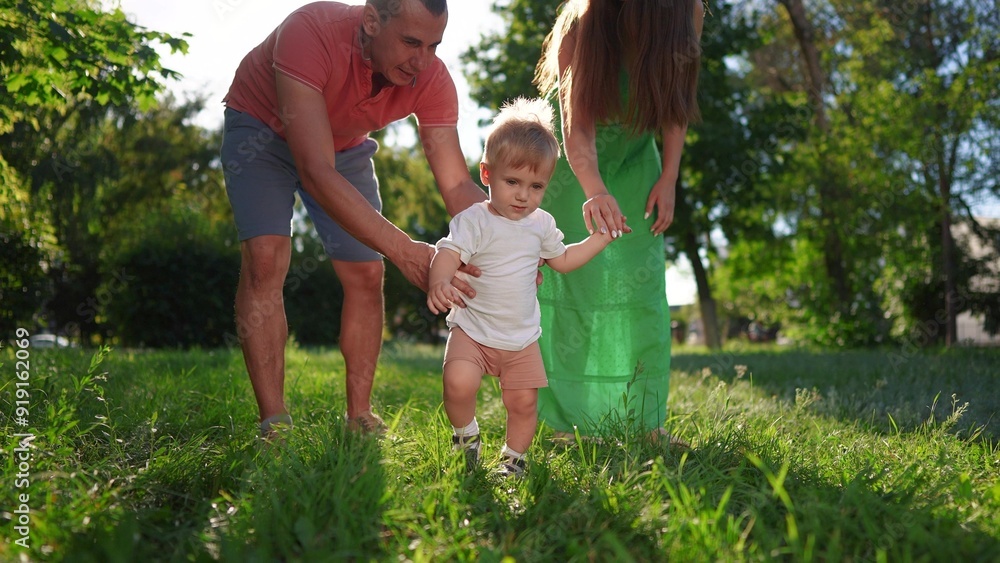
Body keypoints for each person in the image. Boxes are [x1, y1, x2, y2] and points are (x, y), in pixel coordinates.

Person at [220, 0, 487, 440]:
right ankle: (275, 422)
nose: (422, 61)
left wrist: (512, 238)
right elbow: (315, 171)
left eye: (434, 46)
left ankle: (359, 415)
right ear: (371, 21)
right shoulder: (311, 30)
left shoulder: (432, 79)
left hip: (343, 147)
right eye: (410, 42)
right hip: (262, 130)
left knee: (366, 271)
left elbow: (458, 186)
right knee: (267, 257)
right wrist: (406, 251)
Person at [532, 0, 704, 441]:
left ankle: (647, 422)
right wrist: (594, 189)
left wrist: (669, 175)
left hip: (634, 156)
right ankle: (564, 423)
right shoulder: (584, 19)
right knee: (576, 282)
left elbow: (676, 97)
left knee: (641, 286)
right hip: (574, 162)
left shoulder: (690, 9)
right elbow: (576, 125)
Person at [426, 98, 614, 476]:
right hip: (473, 329)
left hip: (521, 338)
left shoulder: (541, 224)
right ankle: (466, 435)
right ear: (486, 174)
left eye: (536, 185)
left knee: (524, 403)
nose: (523, 195)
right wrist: (440, 280)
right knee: (457, 382)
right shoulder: (474, 219)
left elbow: (561, 260)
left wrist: (601, 239)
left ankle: (513, 460)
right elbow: (448, 251)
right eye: (512, 182)